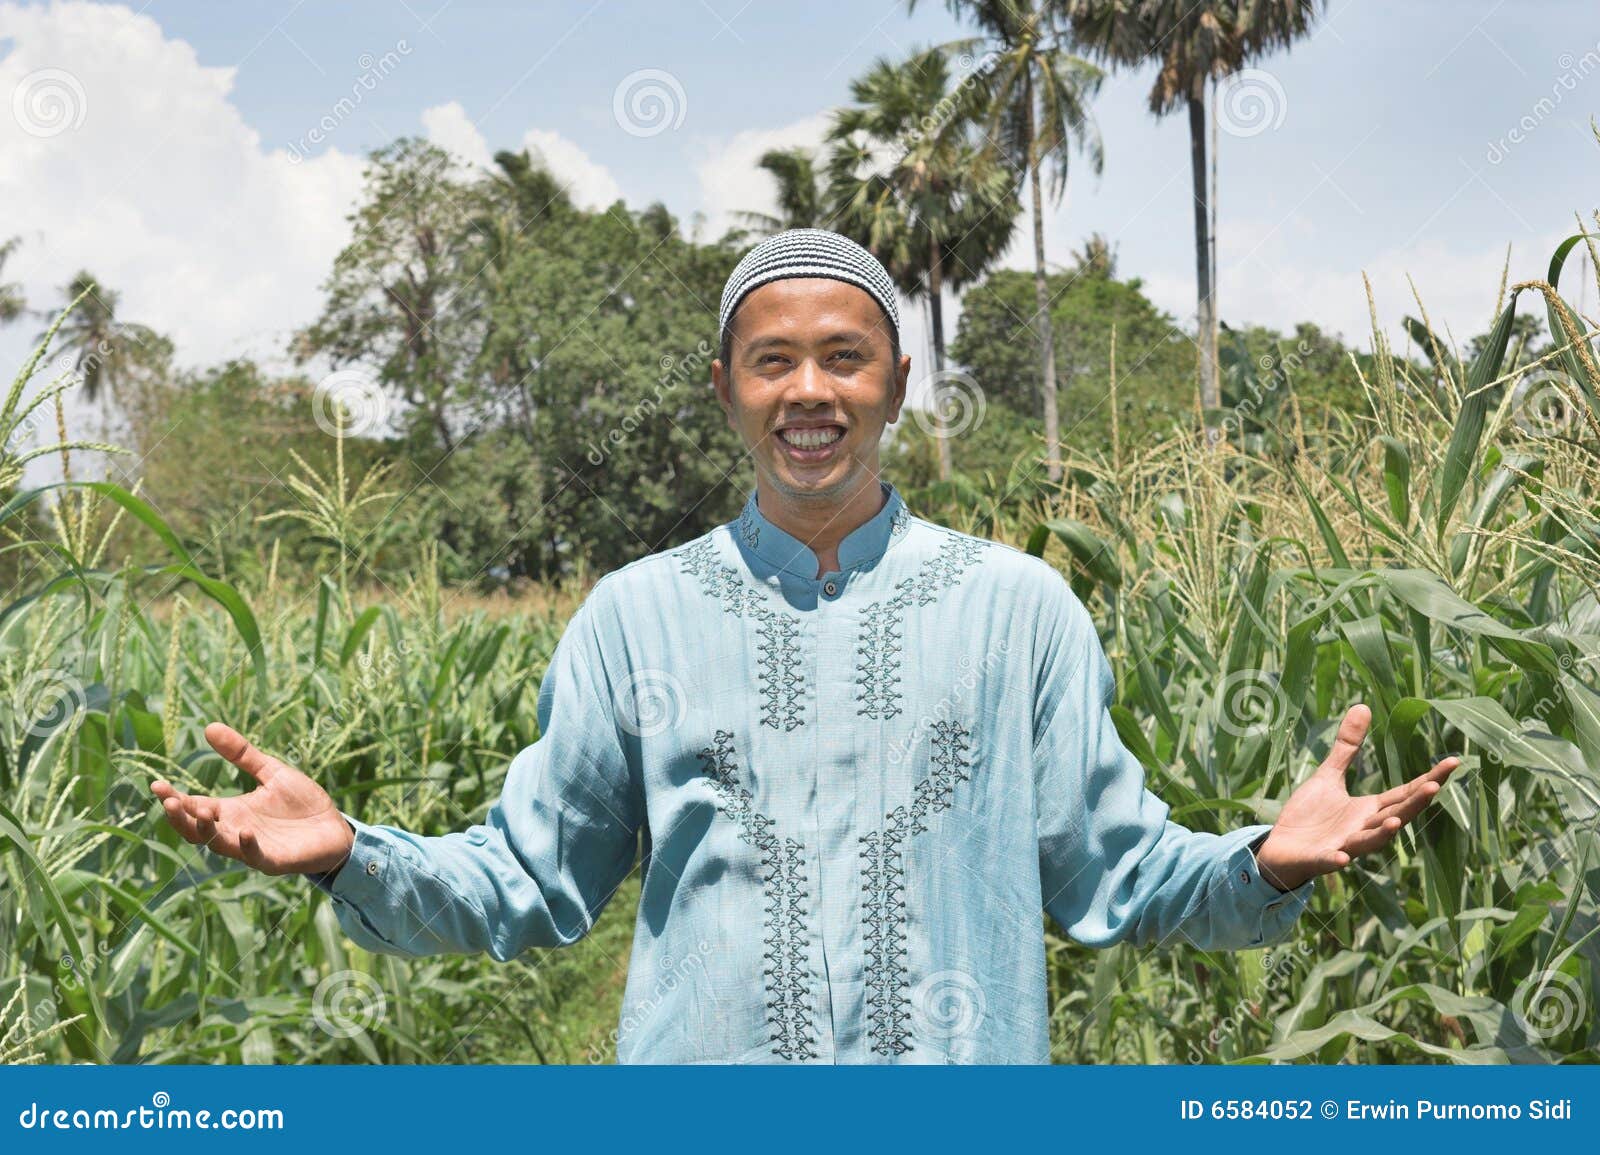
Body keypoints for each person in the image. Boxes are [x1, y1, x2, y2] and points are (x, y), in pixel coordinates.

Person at [151, 228, 1459, 1064]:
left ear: (895, 382)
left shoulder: (1019, 611)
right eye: (772, 360)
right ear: (727, 388)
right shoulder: (637, 616)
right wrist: (352, 854)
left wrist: (1263, 864)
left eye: (844, 357)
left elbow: (1105, 871)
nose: (809, 391)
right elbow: (529, 883)